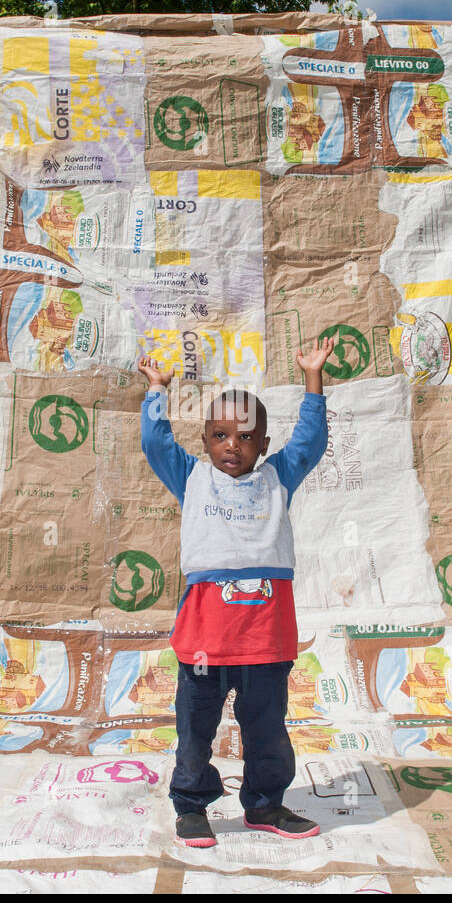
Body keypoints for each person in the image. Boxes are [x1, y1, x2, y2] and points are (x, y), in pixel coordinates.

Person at [136, 333, 337, 848]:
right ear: (205, 441)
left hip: (265, 639)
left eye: (246, 437)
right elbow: (157, 443)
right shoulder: (192, 479)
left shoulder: (279, 477)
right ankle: (192, 804)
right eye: (221, 435)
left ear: (264, 446)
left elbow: (310, 442)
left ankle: (266, 804)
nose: (233, 445)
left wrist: (313, 378)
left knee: (267, 730)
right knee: (194, 731)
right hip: (206, 639)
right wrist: (157, 390)